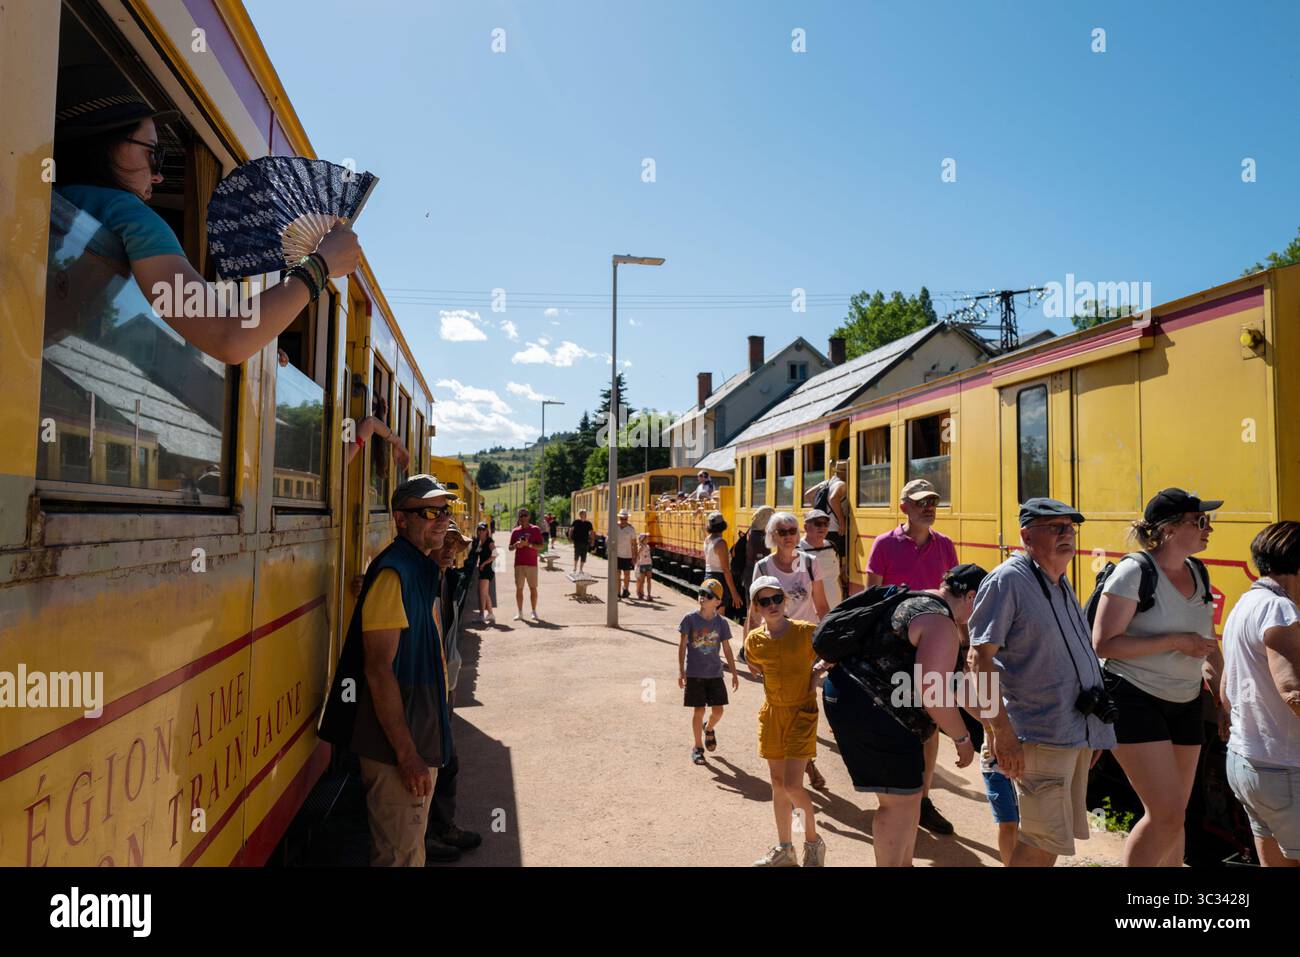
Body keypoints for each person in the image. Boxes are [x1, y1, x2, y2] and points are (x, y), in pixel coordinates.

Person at [52, 69, 362, 366]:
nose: (158, 176)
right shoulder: (130, 216)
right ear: (109, 146)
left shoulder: (54, 200)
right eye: (154, 153)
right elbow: (228, 337)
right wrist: (320, 265)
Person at [969, 498, 1118, 867]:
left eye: (1069, 527)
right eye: (1055, 527)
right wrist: (1001, 733)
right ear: (1026, 535)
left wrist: (1090, 732)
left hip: (1070, 733)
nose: (1066, 534)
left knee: (1050, 840)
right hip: (1038, 734)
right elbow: (979, 659)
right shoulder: (1008, 580)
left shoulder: (1058, 580)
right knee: (1040, 841)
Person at [317, 475, 455, 866]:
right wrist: (407, 753)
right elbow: (378, 669)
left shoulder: (419, 567)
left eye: (444, 511)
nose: (441, 519)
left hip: (417, 729)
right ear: (401, 519)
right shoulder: (395, 572)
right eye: (429, 512)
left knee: (409, 850)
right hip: (397, 744)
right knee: (399, 855)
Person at [1091, 488, 1225, 867]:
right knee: (1165, 815)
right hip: (1134, 698)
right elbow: (1104, 644)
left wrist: (1221, 694)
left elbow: (1208, 644)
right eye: (1199, 521)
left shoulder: (1199, 571)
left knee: (1174, 817)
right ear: (1167, 530)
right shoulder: (1135, 571)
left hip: (1184, 700)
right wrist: (1175, 642)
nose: (1209, 529)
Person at [820, 565, 984, 866]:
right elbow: (933, 691)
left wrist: (993, 723)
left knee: (908, 800)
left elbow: (957, 683)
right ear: (972, 596)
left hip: (856, 700)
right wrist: (962, 738)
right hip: (874, 709)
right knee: (898, 805)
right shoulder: (939, 623)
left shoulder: (920, 602)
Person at [864, 478, 960, 836]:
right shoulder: (884, 545)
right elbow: (871, 601)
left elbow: (953, 597)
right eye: (921, 502)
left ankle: (922, 798)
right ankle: (895, 800)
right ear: (903, 506)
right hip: (892, 652)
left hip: (933, 649)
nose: (928, 507)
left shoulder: (945, 546)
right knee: (892, 724)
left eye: (933, 501)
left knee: (929, 724)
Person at [1221, 522, 1300, 867]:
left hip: (1246, 761)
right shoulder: (1279, 610)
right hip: (1284, 768)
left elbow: (1226, 689)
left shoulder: (1244, 605)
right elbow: (1293, 689)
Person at [744, 576, 826, 867]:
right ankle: (785, 849)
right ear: (756, 608)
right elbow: (755, 664)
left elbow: (834, 652)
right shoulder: (754, 641)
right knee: (778, 784)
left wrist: (816, 674)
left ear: (785, 600)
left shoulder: (806, 632)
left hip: (801, 712)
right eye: (765, 601)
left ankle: (813, 843)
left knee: (793, 785)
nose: (773, 605)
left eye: (777, 598)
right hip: (773, 713)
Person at [747, 511, 830, 787]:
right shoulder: (763, 567)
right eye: (781, 532)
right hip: (772, 648)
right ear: (772, 536)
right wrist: (750, 652)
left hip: (804, 649)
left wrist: (829, 647)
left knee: (805, 703)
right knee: (781, 705)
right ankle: (802, 766)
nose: (788, 536)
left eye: (792, 530)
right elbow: (754, 613)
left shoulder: (810, 563)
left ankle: (804, 763)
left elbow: (821, 606)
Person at [424, 523, 481, 861]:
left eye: (455, 545)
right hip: (427, 689)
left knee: (447, 762)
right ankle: (430, 835)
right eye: (445, 543)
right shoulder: (423, 582)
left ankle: (443, 828)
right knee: (434, 763)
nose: (450, 551)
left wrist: (453, 686)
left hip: (445, 686)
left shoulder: (446, 580)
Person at [679, 579, 739, 765]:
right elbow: (682, 647)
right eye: (701, 592)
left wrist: (735, 673)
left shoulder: (721, 623)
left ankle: (709, 728)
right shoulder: (689, 619)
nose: (703, 597)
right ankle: (698, 747)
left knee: (718, 711)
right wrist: (681, 671)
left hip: (715, 674)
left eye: (709, 595)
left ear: (718, 602)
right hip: (695, 674)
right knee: (699, 711)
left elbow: (727, 649)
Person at [798, 508, 841, 611]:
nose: (822, 527)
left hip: (834, 608)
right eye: (818, 524)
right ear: (805, 527)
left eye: (826, 524)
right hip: (810, 612)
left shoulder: (831, 546)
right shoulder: (798, 550)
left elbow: (837, 578)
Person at [703, 511, 745, 612]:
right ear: (723, 525)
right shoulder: (721, 543)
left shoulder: (707, 540)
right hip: (719, 580)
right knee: (719, 615)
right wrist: (734, 592)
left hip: (707, 577)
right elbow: (726, 570)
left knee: (709, 613)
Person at [509, 507, 544, 621]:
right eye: (521, 516)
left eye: (525, 515)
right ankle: (520, 613)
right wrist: (516, 545)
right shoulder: (515, 531)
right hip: (519, 563)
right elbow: (510, 548)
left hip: (532, 564)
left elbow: (541, 546)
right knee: (519, 588)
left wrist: (528, 545)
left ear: (529, 517)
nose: (523, 518)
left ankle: (533, 611)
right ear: (518, 518)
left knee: (533, 588)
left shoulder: (535, 529)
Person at [473, 522, 497, 625]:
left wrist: (483, 564)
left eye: (483, 530)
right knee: (484, 592)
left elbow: (495, 554)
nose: (480, 532)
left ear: (487, 531)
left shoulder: (489, 541)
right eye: (479, 529)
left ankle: (482, 615)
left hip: (487, 569)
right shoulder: (480, 541)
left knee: (482, 593)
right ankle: (490, 614)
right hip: (484, 569)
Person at [614, 509, 638, 599]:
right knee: (617, 574)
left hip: (627, 555)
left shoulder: (631, 529)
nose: (624, 520)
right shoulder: (615, 527)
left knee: (627, 574)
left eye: (625, 518)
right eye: (622, 518)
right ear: (619, 518)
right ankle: (617, 593)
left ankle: (625, 589)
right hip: (617, 554)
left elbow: (634, 544)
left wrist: (635, 556)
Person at [635, 532, 655, 600]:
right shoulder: (640, 547)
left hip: (648, 564)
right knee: (642, 581)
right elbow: (637, 555)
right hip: (642, 564)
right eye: (646, 538)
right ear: (643, 539)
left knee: (649, 580)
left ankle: (649, 595)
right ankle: (640, 593)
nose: (648, 539)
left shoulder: (647, 546)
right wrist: (637, 563)